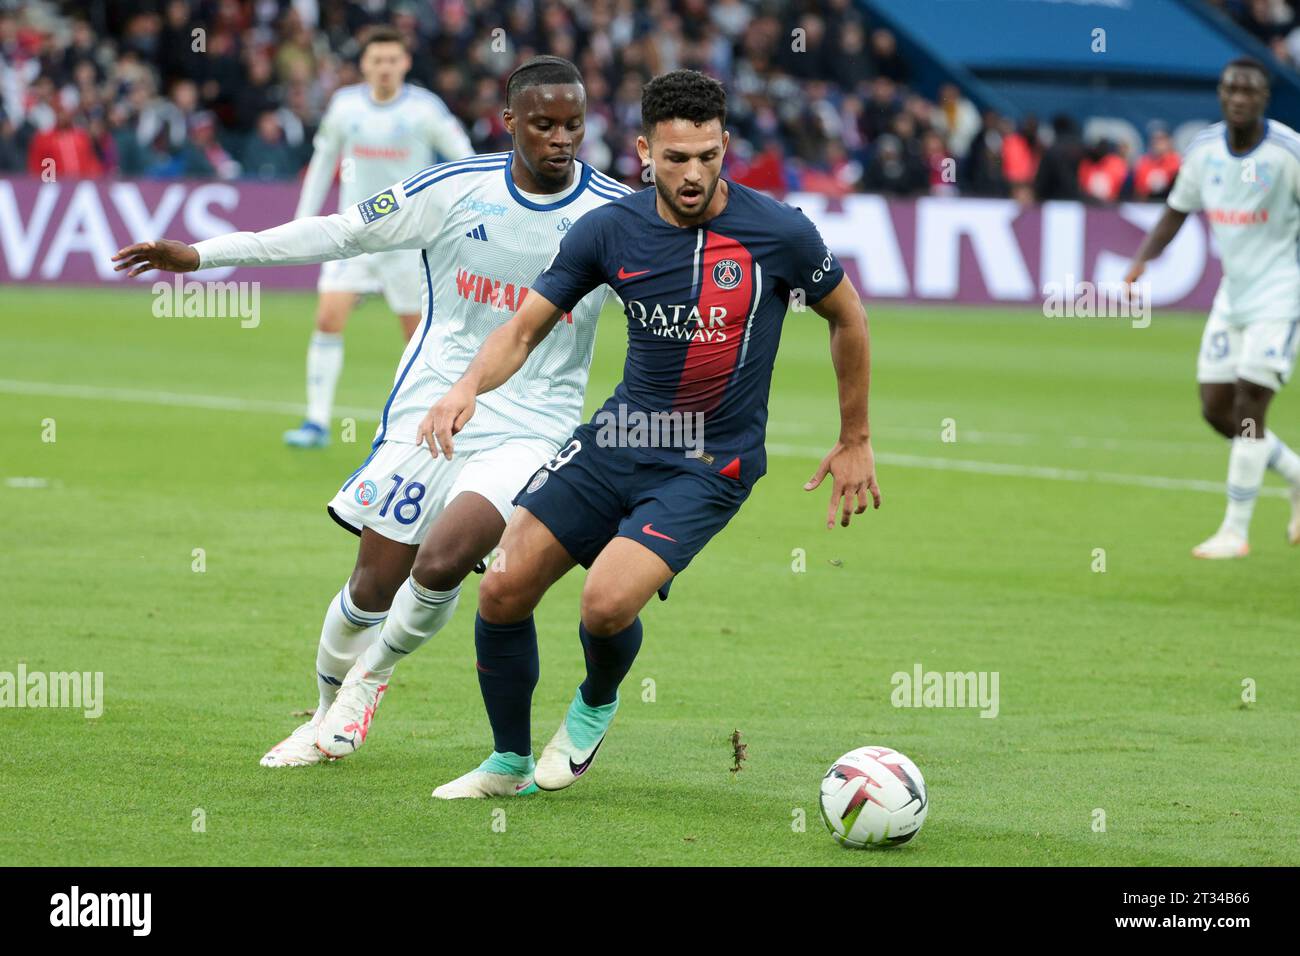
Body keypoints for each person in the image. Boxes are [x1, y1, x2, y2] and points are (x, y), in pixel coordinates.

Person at [111, 57, 631, 775]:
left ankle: (371, 679)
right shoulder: (454, 191)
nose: (561, 138)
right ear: (509, 121)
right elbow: (336, 233)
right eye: (543, 123)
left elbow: (670, 302)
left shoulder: (614, 215)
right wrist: (204, 255)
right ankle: (323, 711)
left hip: (534, 424)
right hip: (431, 412)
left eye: (573, 123)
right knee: (369, 587)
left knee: (448, 559)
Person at [422, 69, 880, 798]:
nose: (693, 174)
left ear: (726, 145)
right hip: (620, 436)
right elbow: (524, 327)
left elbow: (848, 316)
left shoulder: (780, 233)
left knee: (604, 605)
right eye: (676, 158)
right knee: (502, 587)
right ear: (643, 151)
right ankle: (506, 764)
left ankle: (595, 703)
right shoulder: (609, 229)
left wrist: (854, 436)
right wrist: (466, 387)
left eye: (707, 156)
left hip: (710, 462)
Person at [1124, 58, 1300, 558]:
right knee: (1216, 409)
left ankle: (1235, 530)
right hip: (1234, 295)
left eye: (1249, 91)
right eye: (1230, 90)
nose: (1238, 98)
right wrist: (1141, 260)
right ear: (1221, 96)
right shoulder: (1204, 150)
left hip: (1281, 294)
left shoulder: (1289, 152)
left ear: (1265, 98)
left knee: (1250, 402)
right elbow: (1177, 210)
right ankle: (1295, 474)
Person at [282, 25, 473, 449]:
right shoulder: (345, 107)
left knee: (416, 333)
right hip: (354, 234)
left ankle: (421, 421)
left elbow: (464, 161)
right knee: (328, 318)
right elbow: (322, 161)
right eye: (376, 60)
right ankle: (316, 421)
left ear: (404, 63)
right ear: (364, 66)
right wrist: (302, 219)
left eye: (392, 60)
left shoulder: (425, 110)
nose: (385, 67)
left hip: (409, 241)